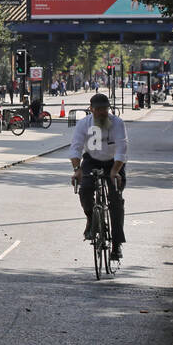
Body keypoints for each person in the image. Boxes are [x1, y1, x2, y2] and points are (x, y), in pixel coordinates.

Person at [69, 92, 129, 261]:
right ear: (91, 110)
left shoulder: (117, 123)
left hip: (113, 162)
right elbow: (75, 147)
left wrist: (116, 171)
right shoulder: (83, 124)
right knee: (85, 189)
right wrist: (77, 169)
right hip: (91, 160)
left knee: (115, 199)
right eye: (98, 109)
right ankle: (90, 218)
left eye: (105, 109)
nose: (102, 112)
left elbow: (122, 148)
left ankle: (116, 245)